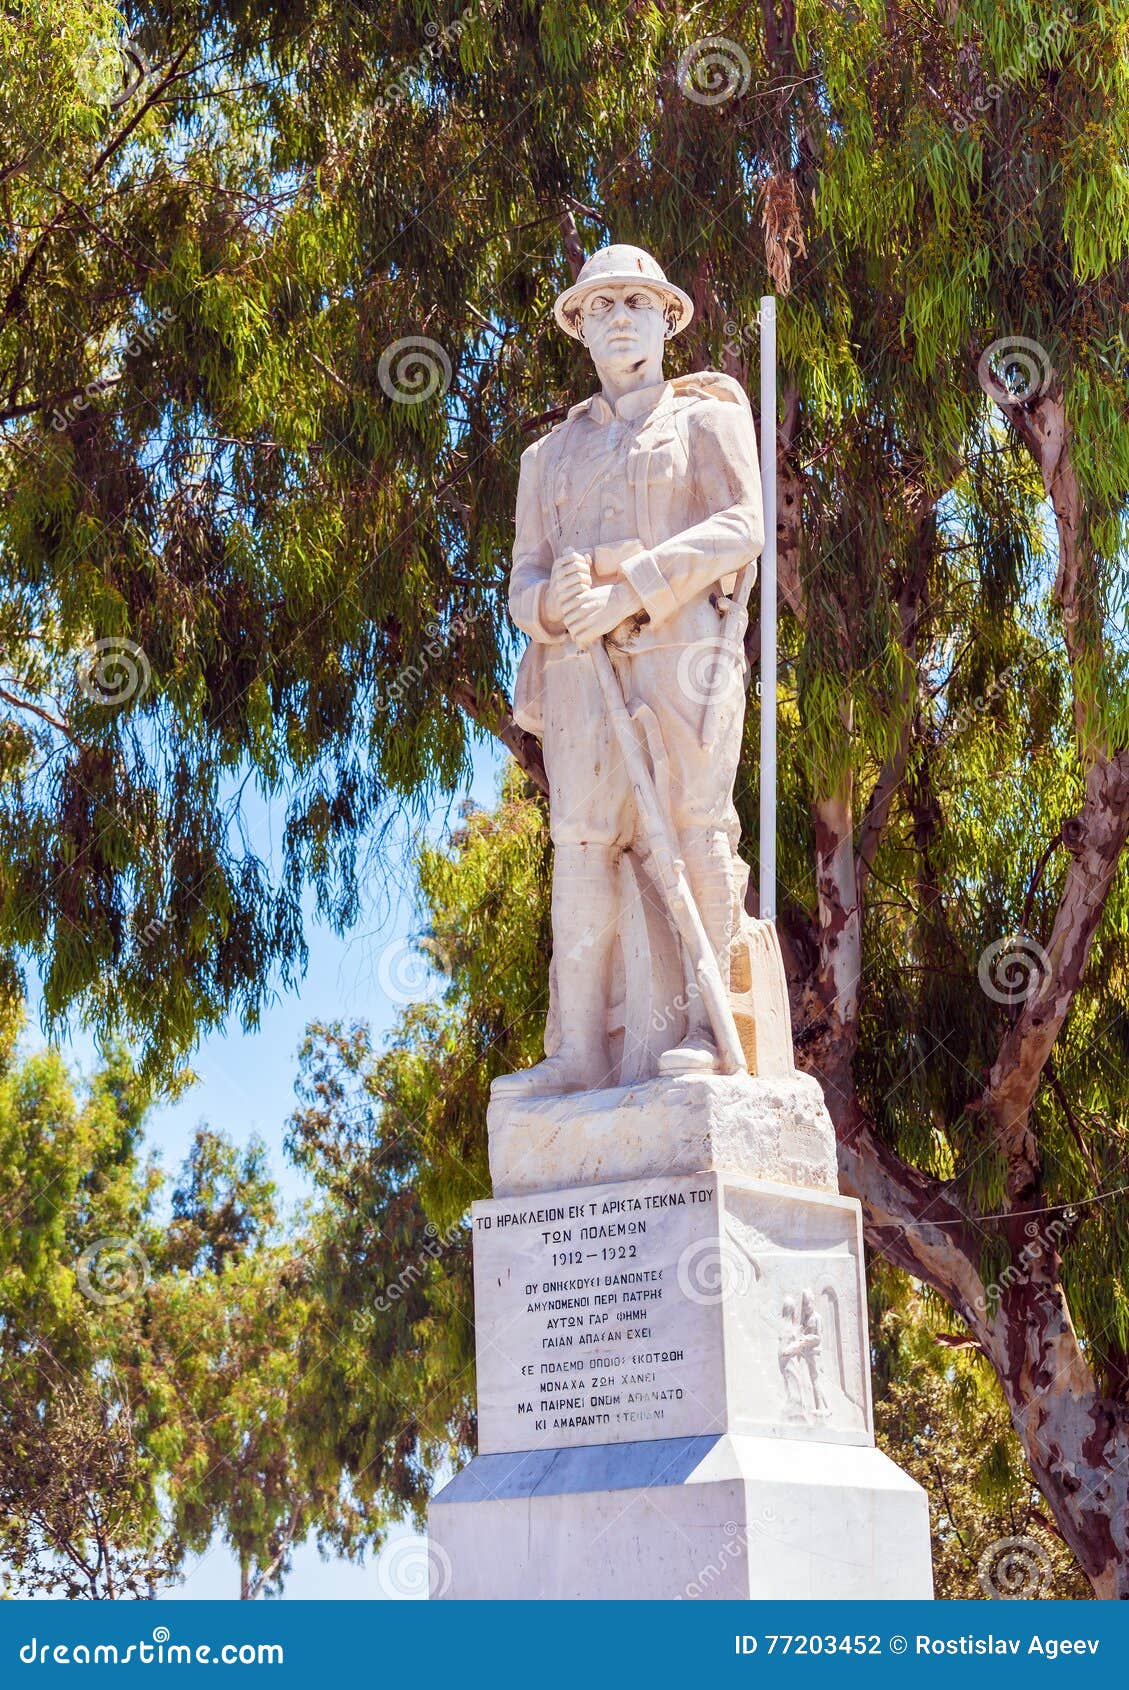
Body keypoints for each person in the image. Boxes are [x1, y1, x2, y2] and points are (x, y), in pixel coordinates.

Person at [494, 244, 764, 1097]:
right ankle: (578, 1052)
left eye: (634, 304)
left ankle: (701, 1029)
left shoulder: (706, 416)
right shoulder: (548, 458)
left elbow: (742, 527)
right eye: (599, 306)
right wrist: (555, 606)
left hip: (682, 652)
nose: (618, 319)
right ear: (578, 327)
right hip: (578, 667)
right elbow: (521, 581)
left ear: (664, 319)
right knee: (580, 840)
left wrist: (634, 588)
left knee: (693, 823)